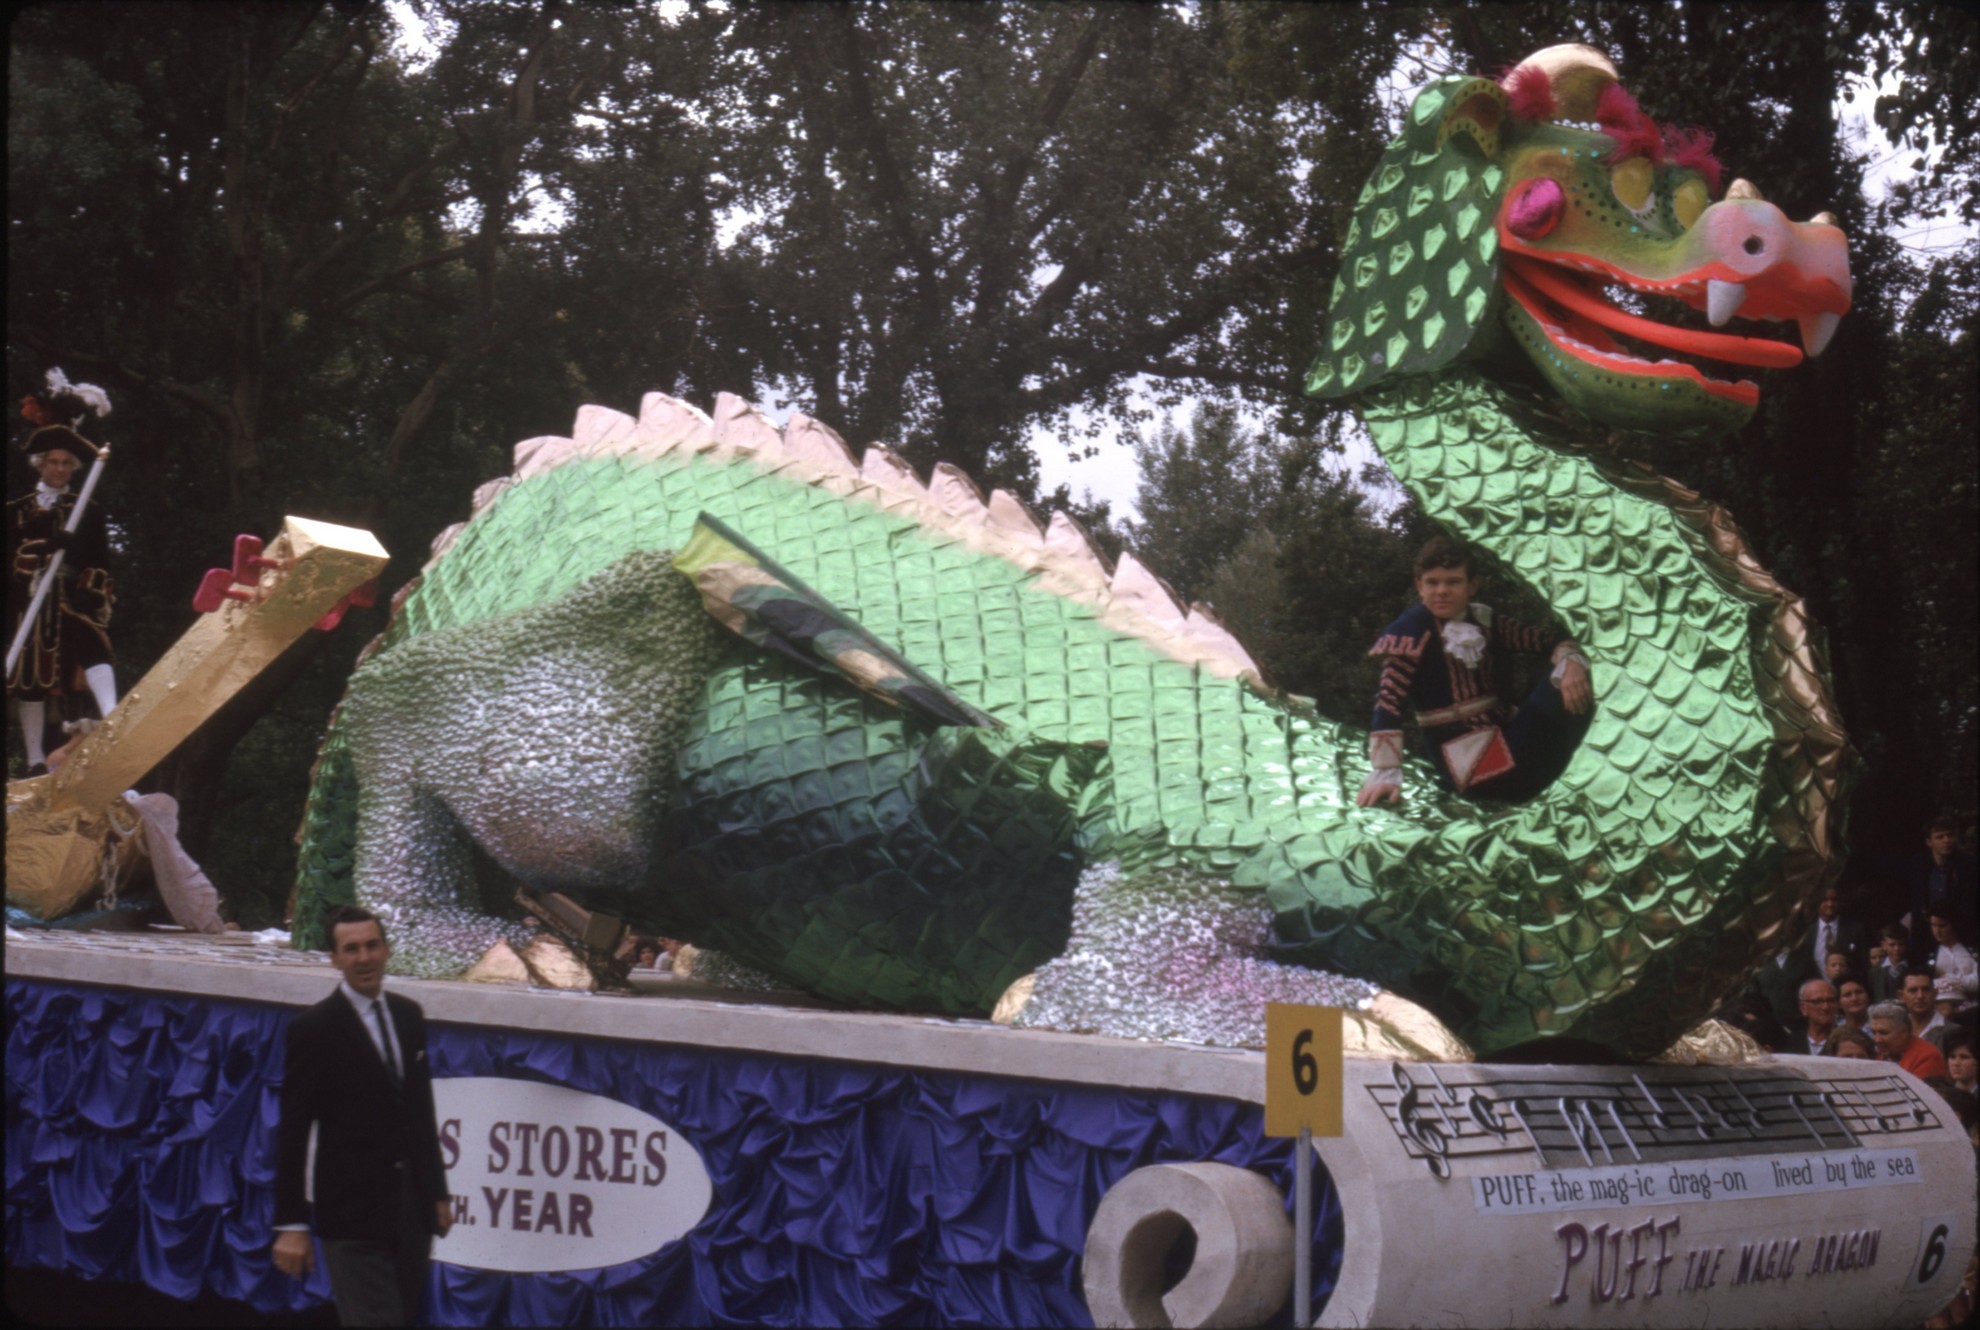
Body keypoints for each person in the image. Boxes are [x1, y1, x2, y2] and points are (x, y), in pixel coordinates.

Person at [273, 905, 452, 1325]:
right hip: (351, 1218)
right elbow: (293, 1131)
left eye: (372, 946)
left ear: (386, 950)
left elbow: (420, 1111)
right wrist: (292, 1223)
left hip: (409, 1212)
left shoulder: (409, 1016)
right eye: (351, 949)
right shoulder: (314, 1029)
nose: (364, 958)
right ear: (335, 959)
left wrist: (436, 1192)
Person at [1357, 536, 1592, 805]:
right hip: (1474, 768)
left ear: (1473, 586)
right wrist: (1386, 773)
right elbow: (1388, 703)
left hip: (1512, 739)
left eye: (1453, 582)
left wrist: (1571, 662)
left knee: (1578, 668)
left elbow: (1545, 640)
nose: (1442, 591)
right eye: (1432, 582)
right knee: (1562, 681)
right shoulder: (1409, 631)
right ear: (1419, 586)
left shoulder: (1484, 621)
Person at [9, 369, 118, 775]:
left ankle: (114, 719)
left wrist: (90, 588)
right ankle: (34, 760)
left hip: (71, 598)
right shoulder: (16, 510)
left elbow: (101, 563)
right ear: (40, 464)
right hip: (27, 601)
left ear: (74, 467)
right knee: (29, 677)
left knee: (92, 645)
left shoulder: (88, 510)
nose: (59, 469)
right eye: (52, 462)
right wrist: (34, 554)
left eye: (66, 463)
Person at [1904, 816, 1976, 944]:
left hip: (1961, 936)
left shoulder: (1969, 866)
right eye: (1940, 837)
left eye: (1950, 835)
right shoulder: (1918, 866)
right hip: (1926, 936)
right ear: (1929, 842)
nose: (1946, 840)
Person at [1867, 999, 1947, 1080]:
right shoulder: (1880, 1053)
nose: (1877, 1040)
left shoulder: (1927, 1057)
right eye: (1873, 1033)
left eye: (1884, 1033)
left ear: (1904, 1032)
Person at [1927, 905, 1978, 1011]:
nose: (1936, 931)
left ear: (1953, 925)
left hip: (1972, 1007)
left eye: (1942, 926)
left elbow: (1977, 982)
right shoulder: (1928, 952)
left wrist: (1950, 979)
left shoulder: (1971, 950)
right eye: (1933, 925)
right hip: (1938, 1008)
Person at [1794, 978, 1839, 1056]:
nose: (1825, 1007)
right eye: (1818, 1002)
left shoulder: (1845, 1041)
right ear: (1803, 1008)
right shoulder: (1792, 1042)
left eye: (1830, 1001)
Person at [1868, 922, 1910, 1004]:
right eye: (1892, 945)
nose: (1897, 949)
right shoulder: (1874, 972)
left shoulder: (1913, 967)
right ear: (1883, 945)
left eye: (1901, 944)